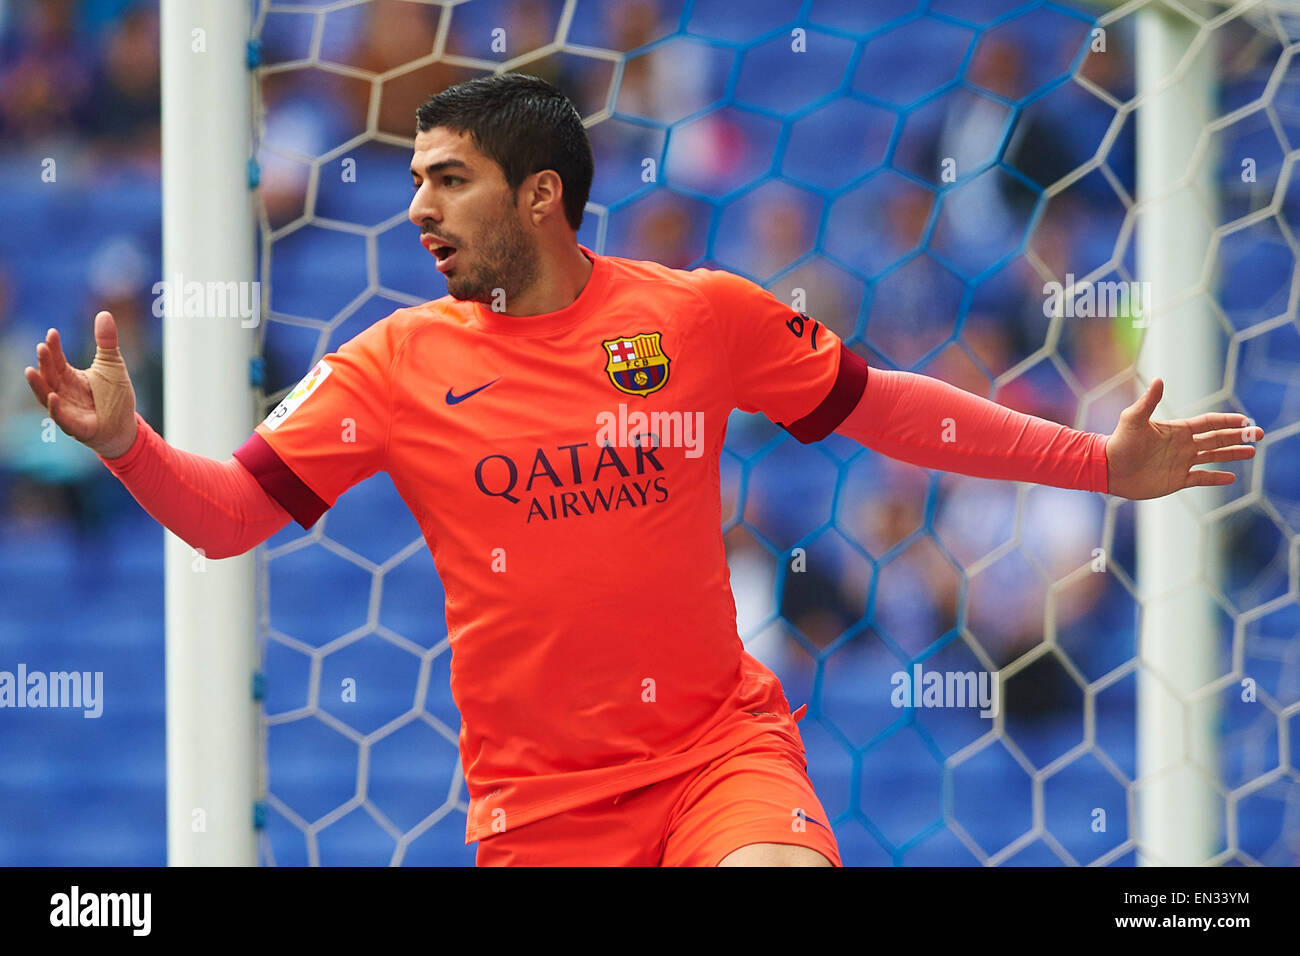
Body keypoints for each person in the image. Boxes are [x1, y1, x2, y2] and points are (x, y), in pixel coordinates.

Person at [23, 73, 1261, 867]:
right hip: (541, 812)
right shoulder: (388, 365)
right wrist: (129, 443)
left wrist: (1095, 461)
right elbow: (233, 517)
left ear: (543, 196)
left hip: (717, 758)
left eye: (449, 181)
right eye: (412, 182)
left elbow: (885, 407)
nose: (419, 211)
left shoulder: (697, 318)